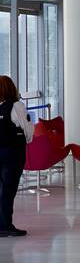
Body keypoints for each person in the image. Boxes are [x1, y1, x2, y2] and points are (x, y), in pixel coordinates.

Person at [0, 76, 35, 238]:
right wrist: (26, 140)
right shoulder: (16, 106)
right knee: (8, 189)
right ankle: (5, 225)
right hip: (12, 152)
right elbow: (28, 130)